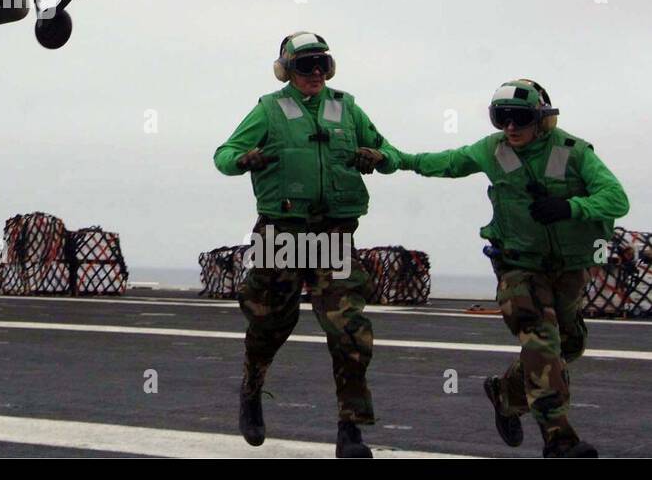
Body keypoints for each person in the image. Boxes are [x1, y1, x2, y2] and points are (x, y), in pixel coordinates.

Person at [395, 79, 628, 458]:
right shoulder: (494, 150)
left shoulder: (574, 152)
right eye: (502, 119)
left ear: (542, 119)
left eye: (519, 119)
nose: (511, 128)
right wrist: (393, 159)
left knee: (569, 344)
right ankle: (559, 440)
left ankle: (506, 395)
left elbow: (616, 198)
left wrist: (570, 207)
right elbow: (447, 162)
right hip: (518, 269)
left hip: (567, 269)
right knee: (542, 342)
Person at [214, 32, 401, 458]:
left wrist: (379, 157)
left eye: (321, 64)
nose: (315, 73)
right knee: (269, 325)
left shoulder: (347, 108)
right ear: (286, 70)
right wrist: (244, 160)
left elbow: (386, 149)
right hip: (281, 234)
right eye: (305, 66)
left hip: (332, 235)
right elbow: (224, 154)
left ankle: (351, 430)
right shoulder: (268, 109)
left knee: (349, 330)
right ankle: (252, 387)